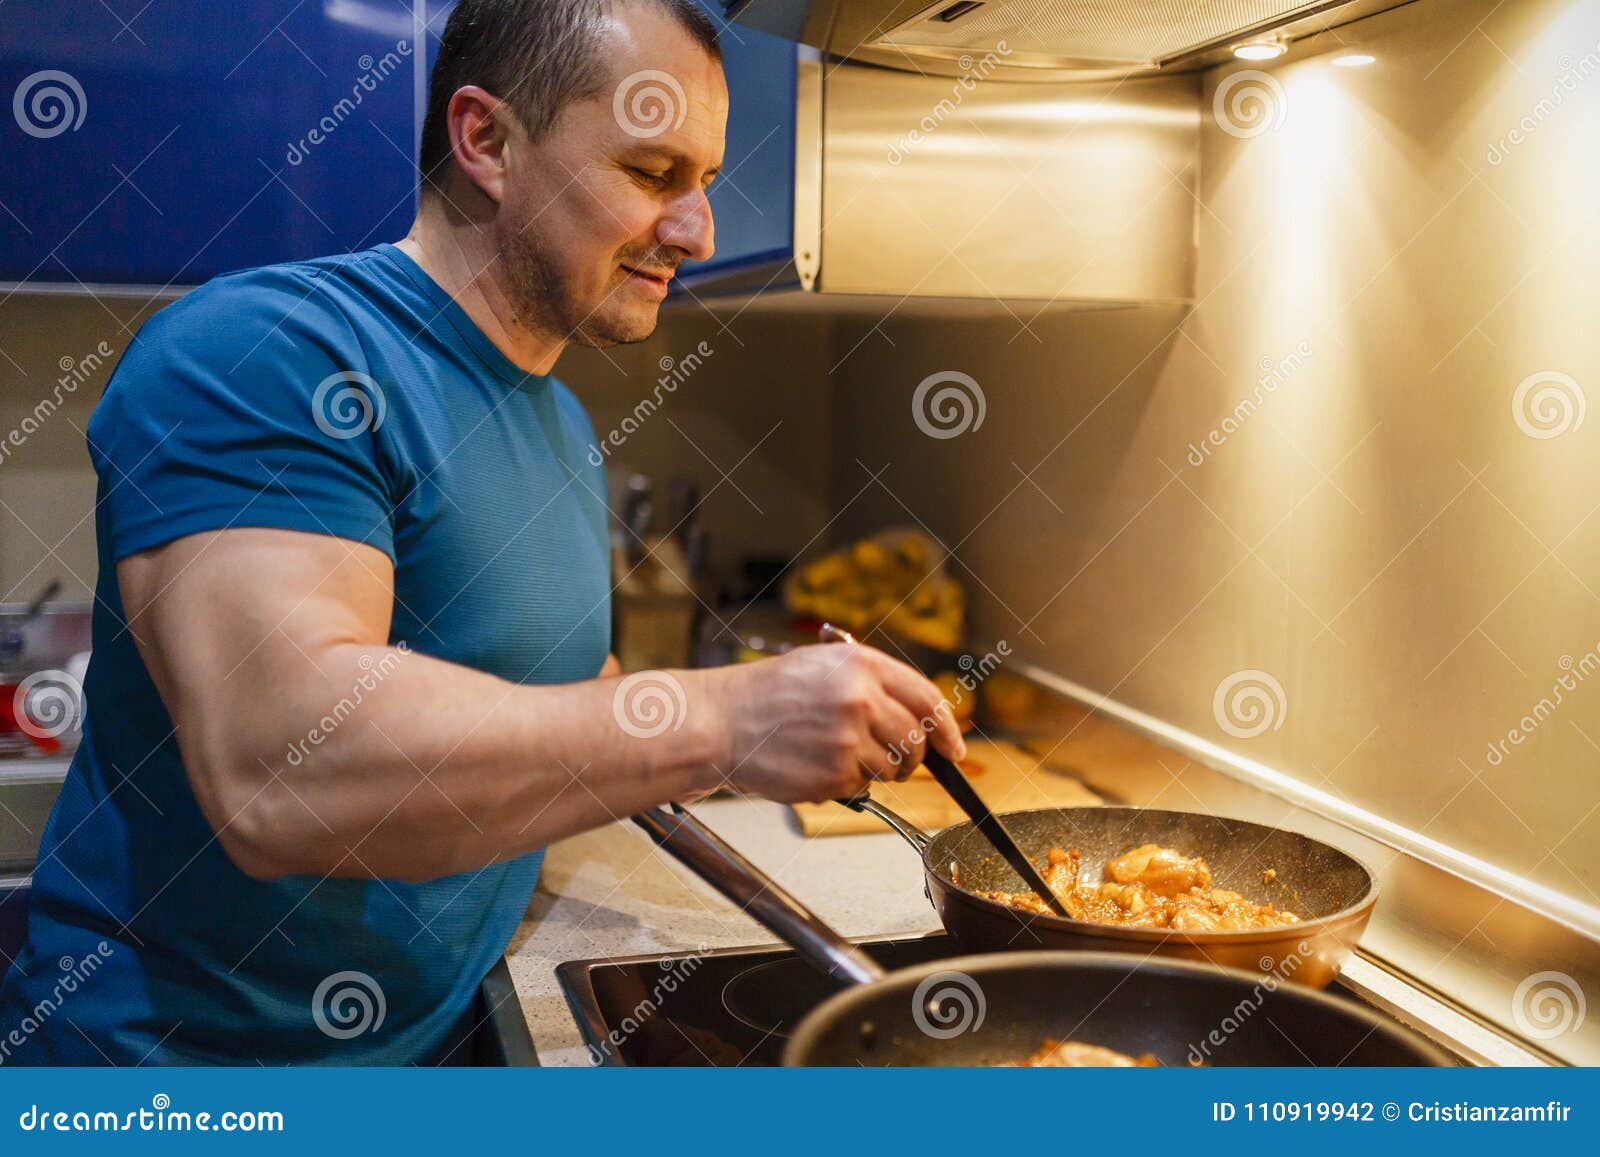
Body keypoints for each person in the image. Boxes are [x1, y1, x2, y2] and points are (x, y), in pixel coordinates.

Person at [0, 0, 962, 1066]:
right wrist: (726, 718)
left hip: (431, 1048)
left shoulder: (557, 419)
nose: (699, 231)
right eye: (653, 173)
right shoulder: (265, 351)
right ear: (487, 140)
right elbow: (282, 765)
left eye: (702, 181)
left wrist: (783, 720)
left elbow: (557, 688)